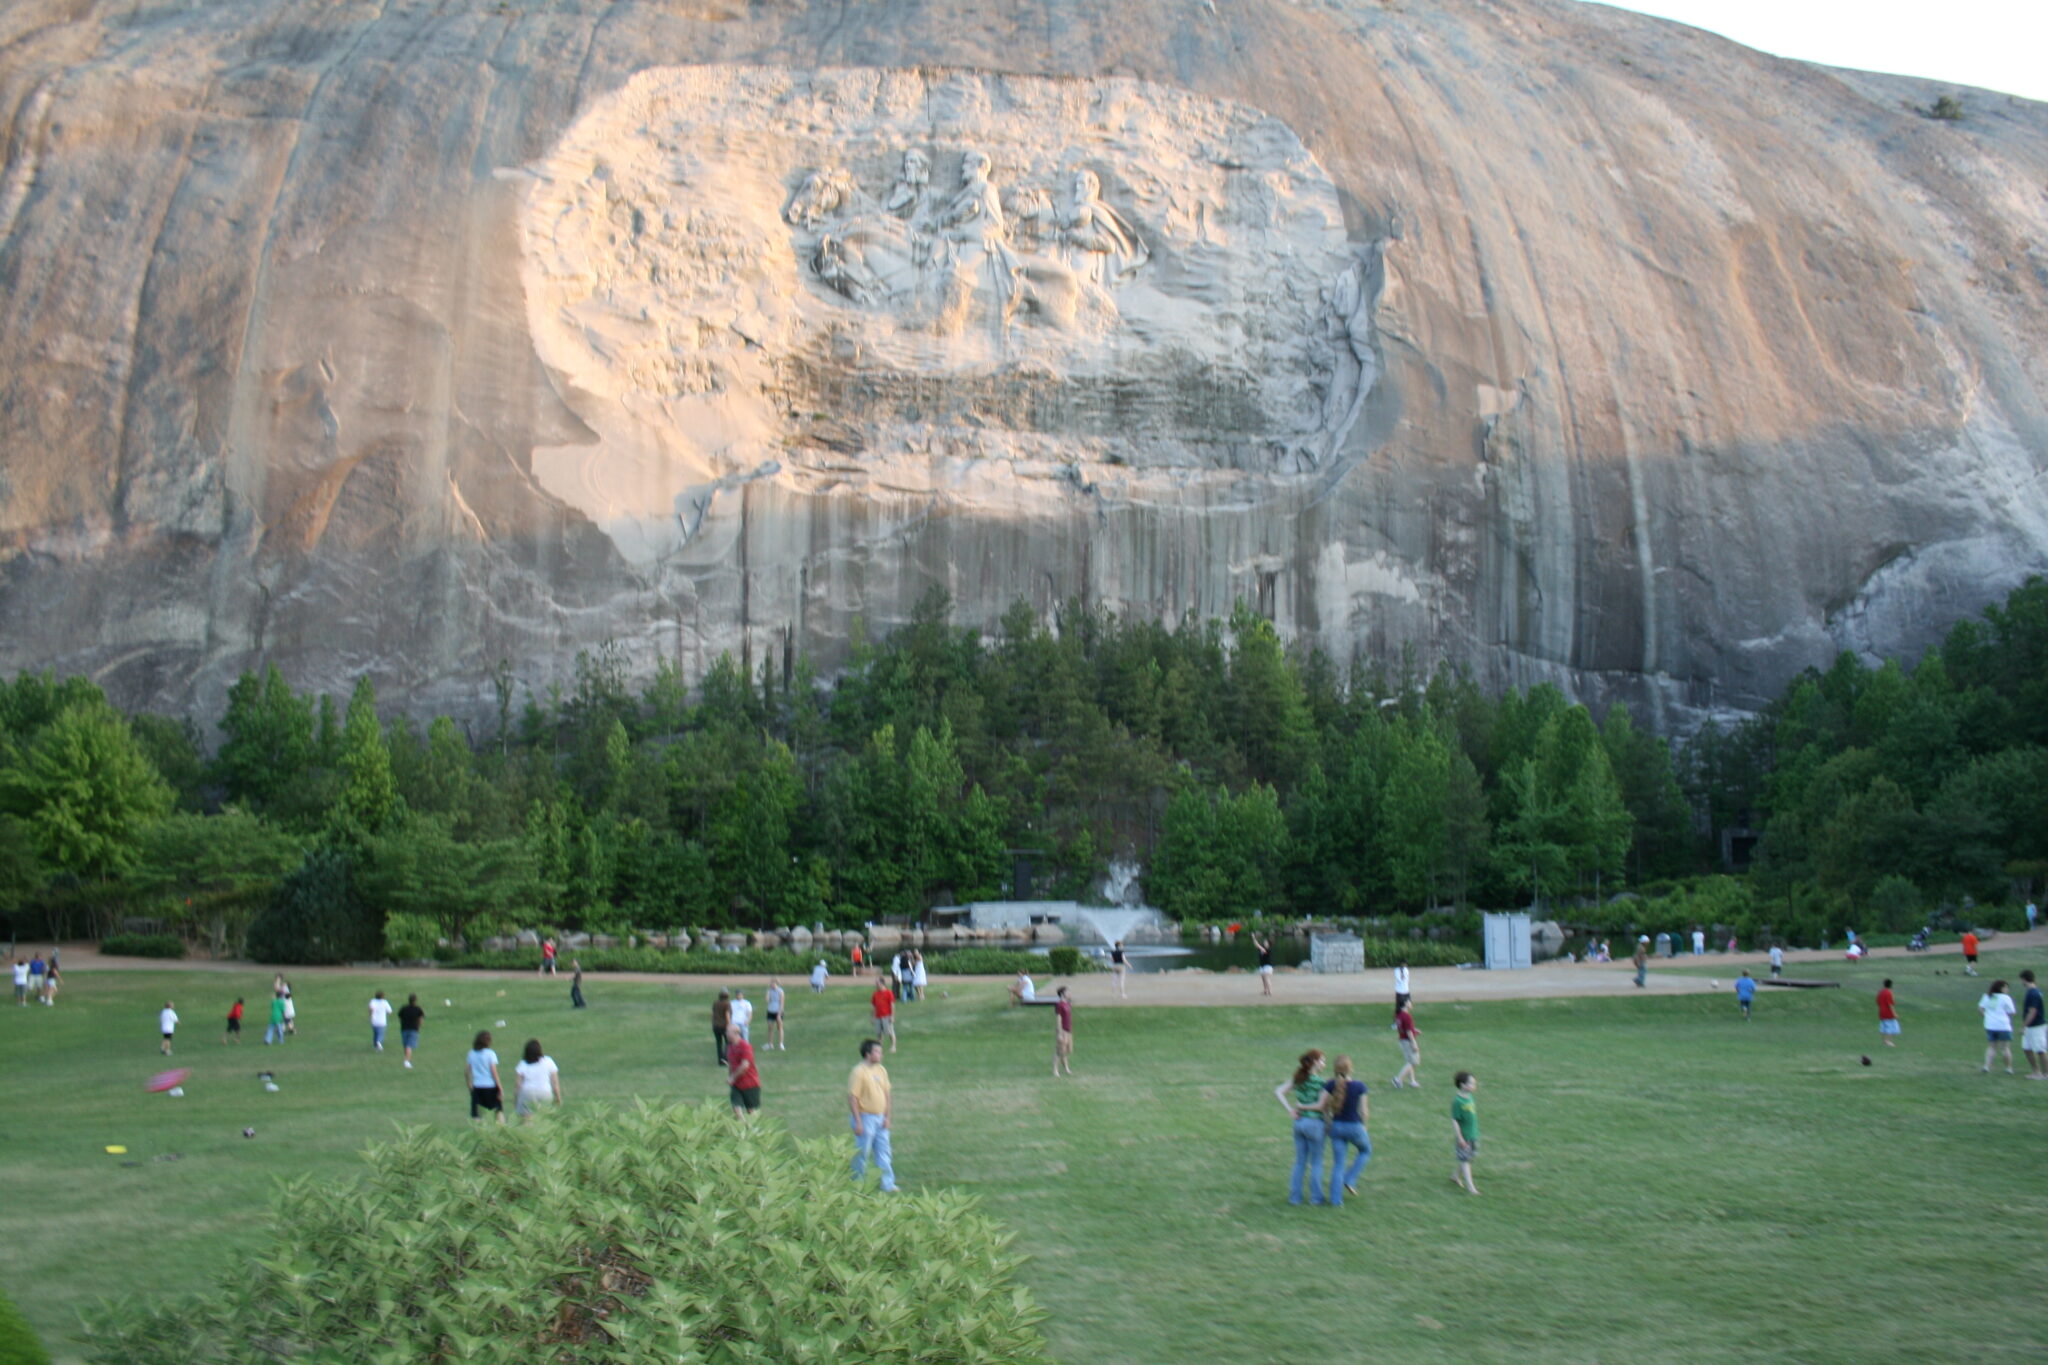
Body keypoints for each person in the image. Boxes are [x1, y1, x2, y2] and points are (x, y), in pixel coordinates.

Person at [1275, 1049, 1328, 1205]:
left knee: (1300, 1162)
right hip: (1315, 1124)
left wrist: (1290, 1109)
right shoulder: (1321, 1083)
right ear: (1314, 1062)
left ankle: (1295, 1197)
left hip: (1299, 1123)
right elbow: (1322, 1107)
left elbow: (1279, 1091)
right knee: (1316, 1162)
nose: (1324, 1064)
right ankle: (1316, 1198)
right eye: (1322, 1061)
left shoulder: (1298, 1079)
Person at [848, 1039, 897, 1192]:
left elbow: (887, 1094)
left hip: (880, 1118)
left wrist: (887, 1117)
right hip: (865, 1117)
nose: (880, 1054)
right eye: (877, 1051)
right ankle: (857, 1183)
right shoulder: (859, 1072)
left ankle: (887, 1184)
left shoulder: (881, 1070)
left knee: (884, 1152)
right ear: (868, 1054)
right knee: (862, 1152)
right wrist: (858, 1122)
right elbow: (853, 1098)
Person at [1322, 1056, 1370, 1206]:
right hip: (1354, 1126)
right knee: (1365, 1151)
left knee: (1338, 1164)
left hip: (1336, 1127)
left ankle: (1336, 1201)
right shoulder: (1359, 1086)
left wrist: (1328, 1124)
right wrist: (1364, 1126)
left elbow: (1324, 1107)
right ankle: (1350, 1178)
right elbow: (1364, 1111)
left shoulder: (1330, 1085)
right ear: (1351, 1069)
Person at [514, 1038, 562, 1119]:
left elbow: (518, 1085)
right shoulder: (548, 1061)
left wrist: (515, 1099)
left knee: (527, 1118)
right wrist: (558, 1097)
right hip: (545, 1092)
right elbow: (555, 1083)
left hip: (527, 1092)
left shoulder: (523, 1064)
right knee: (543, 1118)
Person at [1978, 979, 2018, 1074]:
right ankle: (2008, 1068)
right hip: (2003, 1026)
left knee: (1992, 1047)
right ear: (2001, 988)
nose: (2007, 989)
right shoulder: (2005, 998)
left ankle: (1986, 1066)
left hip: (1990, 1025)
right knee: (2005, 1048)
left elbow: (1980, 1008)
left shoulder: (1987, 996)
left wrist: (1987, 1016)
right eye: (2006, 987)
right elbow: (2012, 1012)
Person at [1451, 1071, 1481, 1195]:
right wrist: (1460, 1138)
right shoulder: (1457, 1101)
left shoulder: (1469, 1097)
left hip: (1473, 1133)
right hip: (1464, 1136)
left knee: (1468, 1157)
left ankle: (1455, 1176)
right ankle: (1471, 1187)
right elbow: (1455, 1120)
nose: (1474, 1086)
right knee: (1465, 1160)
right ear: (1462, 1085)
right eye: (1471, 1083)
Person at [467, 1030, 505, 1123]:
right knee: (498, 1111)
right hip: (490, 1086)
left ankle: (478, 1133)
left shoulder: (471, 1053)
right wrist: (499, 1086)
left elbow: (466, 1072)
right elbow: (494, 1072)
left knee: (476, 1113)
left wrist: (469, 1084)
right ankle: (503, 1130)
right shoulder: (490, 1054)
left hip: (477, 1086)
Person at [2019, 969, 2047, 1078]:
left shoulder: (2034, 993)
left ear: (2024, 979)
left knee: (2040, 1050)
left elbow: (2033, 1011)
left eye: (2021, 980)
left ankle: (2046, 1073)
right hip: (2031, 1026)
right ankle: (2036, 1071)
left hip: (2037, 1026)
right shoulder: (2032, 992)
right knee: (2026, 1048)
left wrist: (2024, 1026)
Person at [727, 1029, 761, 1118]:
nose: (726, 1034)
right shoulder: (730, 1047)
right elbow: (731, 1064)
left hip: (750, 1083)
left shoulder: (745, 1046)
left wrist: (732, 1077)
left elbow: (745, 1065)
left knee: (751, 1110)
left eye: (728, 1032)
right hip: (736, 1084)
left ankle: (755, 1128)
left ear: (736, 1033)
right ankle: (742, 1126)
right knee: (736, 1106)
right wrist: (730, 1076)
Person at [1393, 1002, 1420, 1088]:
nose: (1411, 1003)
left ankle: (1412, 1081)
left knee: (1409, 1062)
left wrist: (1415, 1031)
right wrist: (1414, 1043)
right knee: (1414, 1062)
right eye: (1409, 1002)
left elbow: (1401, 1028)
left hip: (1402, 1040)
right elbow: (1408, 1031)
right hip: (1408, 1041)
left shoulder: (1398, 1015)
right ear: (1405, 1004)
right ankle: (1398, 1079)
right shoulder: (1406, 1016)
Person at [1052, 986, 1075, 1077]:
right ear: (1062, 994)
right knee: (1059, 1051)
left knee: (1066, 1050)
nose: (1069, 993)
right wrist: (1059, 1033)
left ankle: (1066, 1068)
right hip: (1063, 1030)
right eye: (1067, 992)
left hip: (1069, 1030)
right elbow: (1059, 1018)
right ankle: (1055, 1070)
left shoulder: (1068, 1004)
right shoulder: (1059, 1005)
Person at [397, 994, 425, 1068]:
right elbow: (421, 1019)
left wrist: (402, 1023)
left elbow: (400, 1017)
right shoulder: (418, 1009)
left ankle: (406, 1059)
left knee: (406, 1045)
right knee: (409, 1046)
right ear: (415, 1000)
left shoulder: (404, 1008)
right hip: (413, 1029)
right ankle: (407, 1061)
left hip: (404, 1028)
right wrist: (419, 1026)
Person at [871, 977, 897, 1053]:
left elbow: (892, 1005)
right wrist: (872, 1017)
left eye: (877, 983)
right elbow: (873, 1006)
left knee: (890, 1032)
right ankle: (879, 1048)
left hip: (887, 1016)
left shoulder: (889, 993)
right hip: (878, 1016)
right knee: (879, 1033)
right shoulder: (875, 994)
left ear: (882, 984)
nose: (876, 985)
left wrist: (892, 1016)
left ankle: (893, 1046)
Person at [765, 978, 786, 1051]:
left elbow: (782, 1003)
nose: (771, 985)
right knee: (770, 1027)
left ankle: (781, 1044)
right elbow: (767, 1000)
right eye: (771, 983)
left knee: (779, 1027)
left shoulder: (780, 991)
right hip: (770, 1010)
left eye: (773, 983)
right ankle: (770, 1044)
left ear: (776, 984)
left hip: (778, 1011)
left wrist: (779, 1014)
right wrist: (768, 995)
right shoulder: (769, 991)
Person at [1877, 979, 1900, 1046]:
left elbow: (1878, 1002)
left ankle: (1884, 1040)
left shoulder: (1880, 992)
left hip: (1881, 1012)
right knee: (1891, 1027)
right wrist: (1894, 1013)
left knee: (1884, 1027)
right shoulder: (1889, 993)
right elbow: (1890, 1004)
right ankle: (1888, 1041)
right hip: (1888, 1013)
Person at [711, 990, 731, 1066]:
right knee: (728, 1043)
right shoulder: (727, 1004)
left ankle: (720, 1060)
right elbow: (727, 1015)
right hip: (724, 1026)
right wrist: (729, 1025)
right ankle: (725, 1059)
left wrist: (713, 1023)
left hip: (716, 1026)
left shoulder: (715, 1003)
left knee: (719, 1043)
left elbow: (713, 1014)